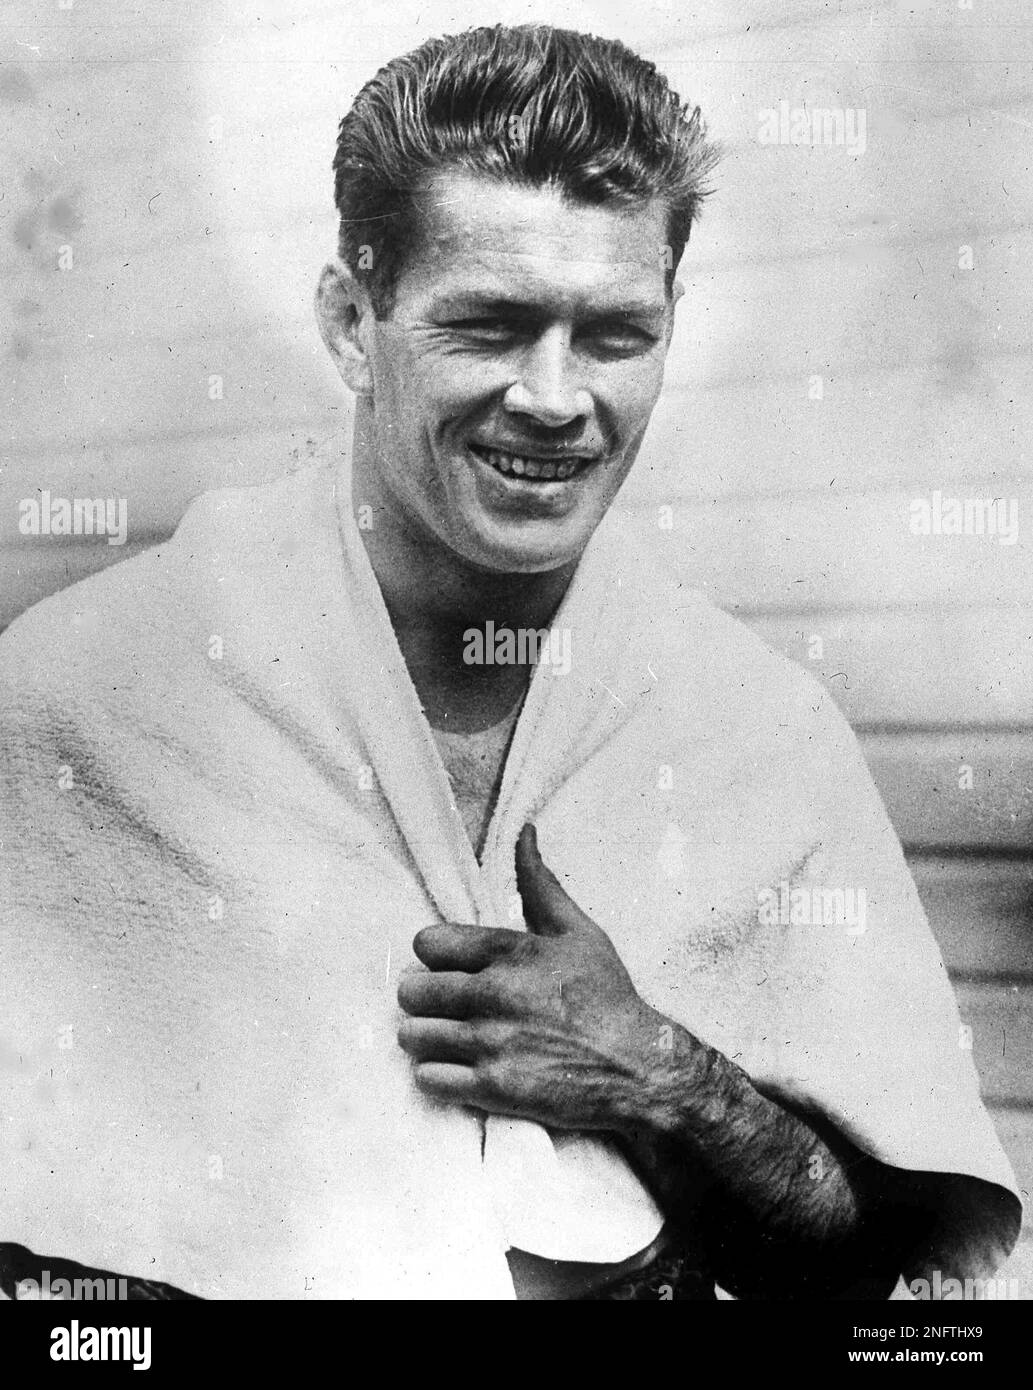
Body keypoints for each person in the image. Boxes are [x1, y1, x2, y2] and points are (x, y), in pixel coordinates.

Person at [0, 23, 1020, 1301]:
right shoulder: (89, 694)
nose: (553, 397)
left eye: (613, 335)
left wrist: (662, 1075)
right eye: (489, 324)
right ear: (349, 321)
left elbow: (903, 1268)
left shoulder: (753, 727)